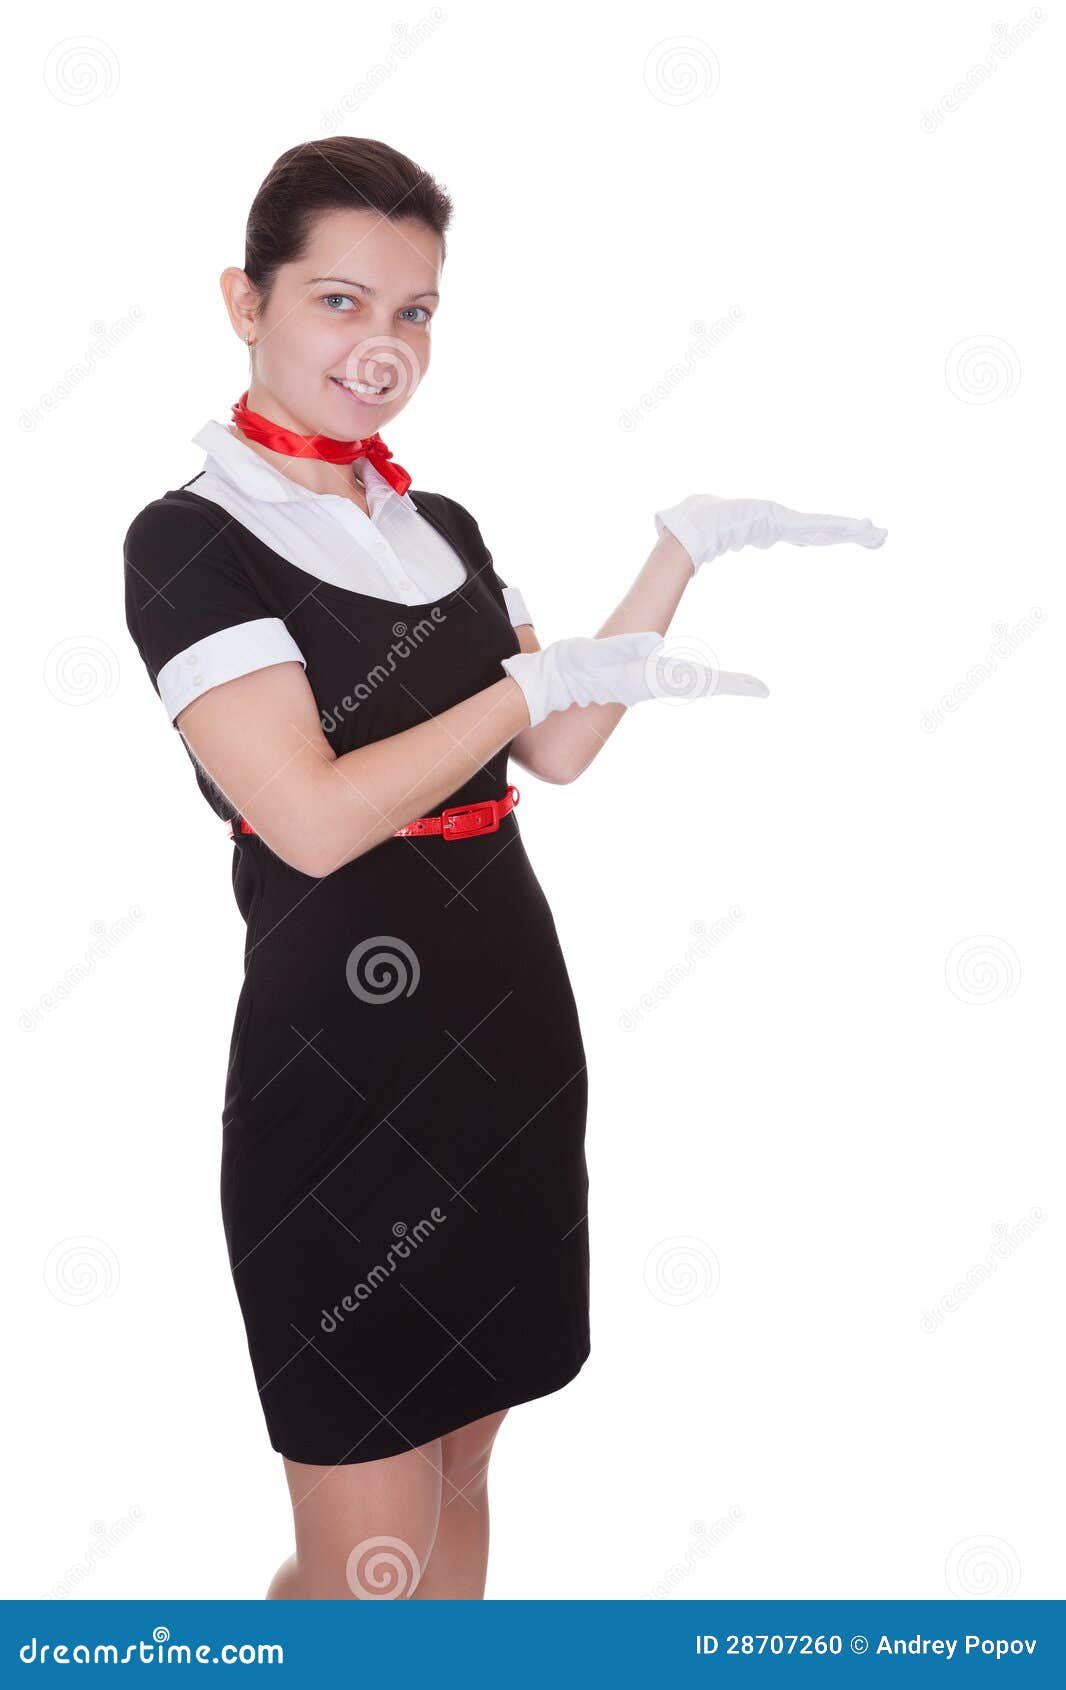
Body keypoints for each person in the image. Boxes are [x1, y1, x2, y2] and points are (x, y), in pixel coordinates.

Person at [122, 136, 886, 1601]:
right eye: (341, 302)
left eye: (414, 311)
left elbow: (558, 750)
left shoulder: (442, 527)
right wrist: (527, 685)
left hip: (507, 1040)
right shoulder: (190, 539)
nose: (383, 346)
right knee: (367, 1556)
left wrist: (678, 554)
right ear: (245, 300)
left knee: (462, 1473)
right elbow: (310, 819)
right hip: (342, 1072)